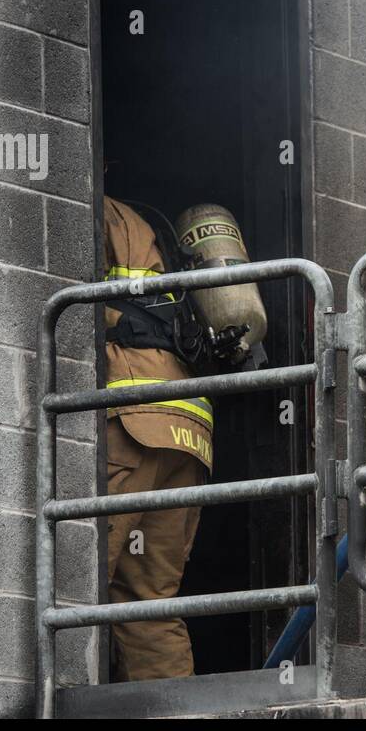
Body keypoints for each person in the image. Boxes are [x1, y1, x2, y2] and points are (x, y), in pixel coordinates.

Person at [101, 195, 213, 681]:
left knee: (76, 587)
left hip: (132, 421)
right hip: (188, 429)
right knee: (148, 601)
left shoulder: (86, 209)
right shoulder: (150, 224)